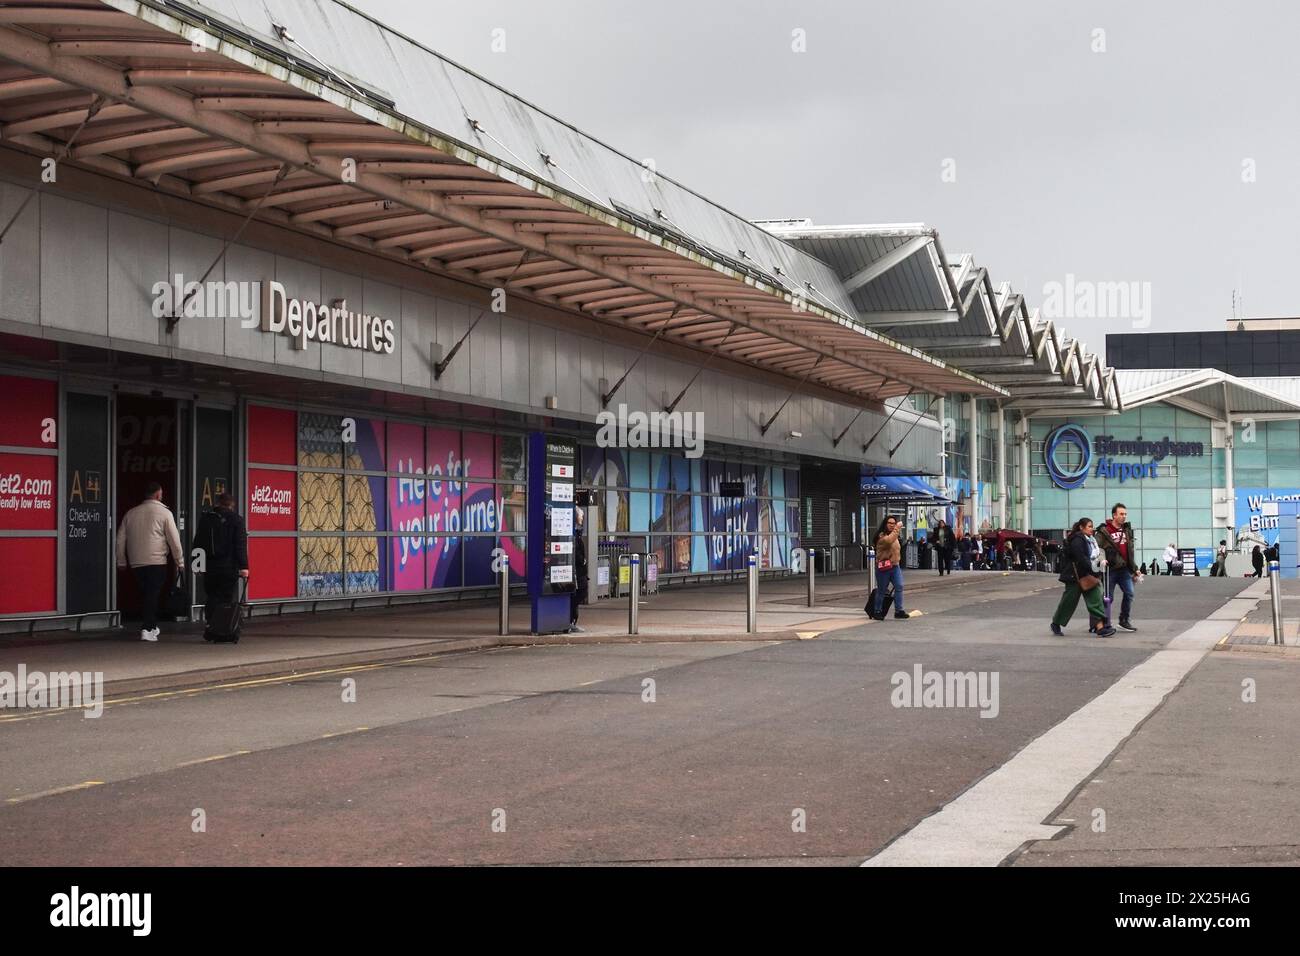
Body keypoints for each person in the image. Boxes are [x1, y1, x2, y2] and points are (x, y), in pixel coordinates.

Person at [115, 481, 184, 642]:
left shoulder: (131, 513)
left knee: (146, 594)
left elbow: (120, 539)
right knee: (153, 595)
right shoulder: (165, 513)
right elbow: (174, 540)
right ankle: (148, 628)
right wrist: (179, 561)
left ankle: (151, 626)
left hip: (136, 562)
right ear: (158, 495)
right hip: (156, 560)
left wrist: (121, 561)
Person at [1051, 517, 1115, 638]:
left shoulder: (1090, 540)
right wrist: (1094, 571)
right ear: (1081, 527)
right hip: (1075, 576)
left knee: (1096, 599)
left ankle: (1101, 628)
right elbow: (1081, 559)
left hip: (1087, 575)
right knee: (1068, 602)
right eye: (1089, 526)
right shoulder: (1077, 540)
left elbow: (1091, 557)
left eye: (1092, 526)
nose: (1092, 529)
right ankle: (1056, 623)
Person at [192, 492, 249, 623]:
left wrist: (197, 565)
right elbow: (240, 545)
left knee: (212, 596)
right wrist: (244, 567)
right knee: (226, 597)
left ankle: (210, 624)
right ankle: (222, 626)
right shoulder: (237, 520)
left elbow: (198, 543)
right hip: (228, 567)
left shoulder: (206, 518)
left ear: (217, 503)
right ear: (231, 505)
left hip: (210, 566)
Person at [1096, 503, 1138, 632]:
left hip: (1124, 569)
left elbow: (1130, 552)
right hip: (1110, 569)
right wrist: (1102, 560)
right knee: (1109, 597)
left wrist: (1135, 568)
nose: (1124, 516)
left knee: (1130, 593)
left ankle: (1124, 620)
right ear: (1114, 515)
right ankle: (1101, 623)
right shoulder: (1104, 531)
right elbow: (1098, 548)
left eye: (1125, 514)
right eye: (1121, 514)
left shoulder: (1127, 530)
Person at [871, 515, 910, 619]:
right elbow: (889, 541)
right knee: (882, 590)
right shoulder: (881, 536)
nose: (892, 525)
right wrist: (897, 527)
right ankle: (877, 610)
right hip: (884, 567)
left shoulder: (895, 535)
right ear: (885, 524)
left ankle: (899, 610)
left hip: (895, 566)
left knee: (899, 586)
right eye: (890, 523)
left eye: (894, 523)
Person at [569, 528, 588, 633]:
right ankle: (570, 620)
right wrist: (582, 560)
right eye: (581, 516)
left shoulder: (578, 534)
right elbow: (576, 552)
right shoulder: (575, 535)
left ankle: (572, 620)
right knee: (579, 593)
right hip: (577, 572)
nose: (582, 518)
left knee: (580, 593)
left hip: (581, 572)